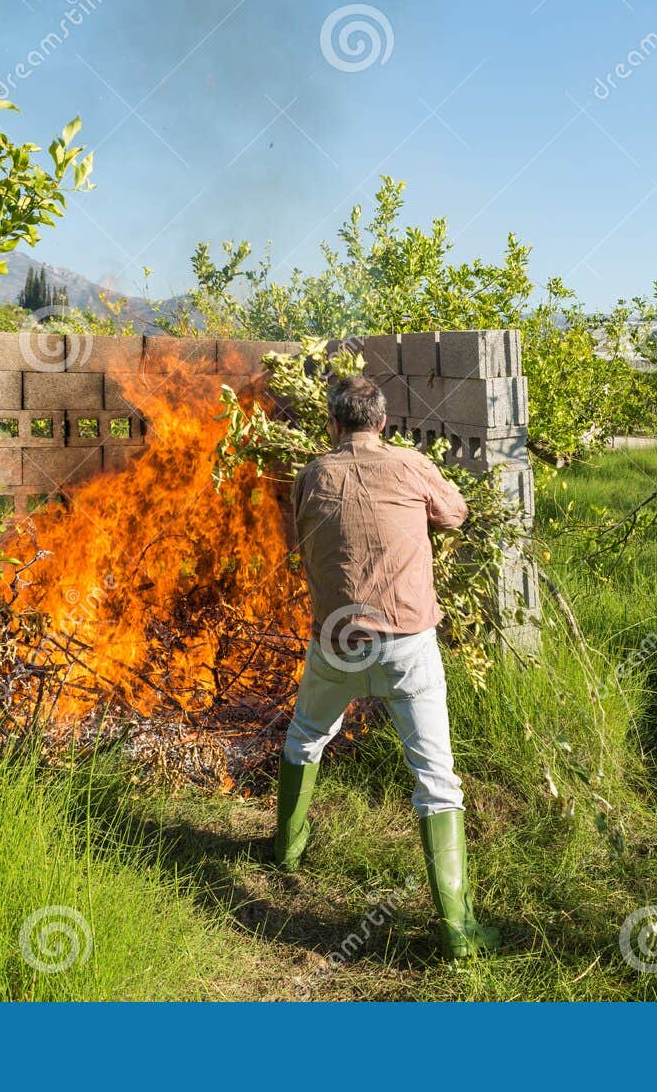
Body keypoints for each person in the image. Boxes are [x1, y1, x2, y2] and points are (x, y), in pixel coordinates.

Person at [273, 374, 500, 960]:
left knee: (304, 739)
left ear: (333, 423)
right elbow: (457, 515)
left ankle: (285, 854)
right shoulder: (409, 465)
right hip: (406, 641)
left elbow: (299, 538)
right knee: (435, 779)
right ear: (381, 423)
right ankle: (459, 931)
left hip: (338, 640)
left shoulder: (312, 474)